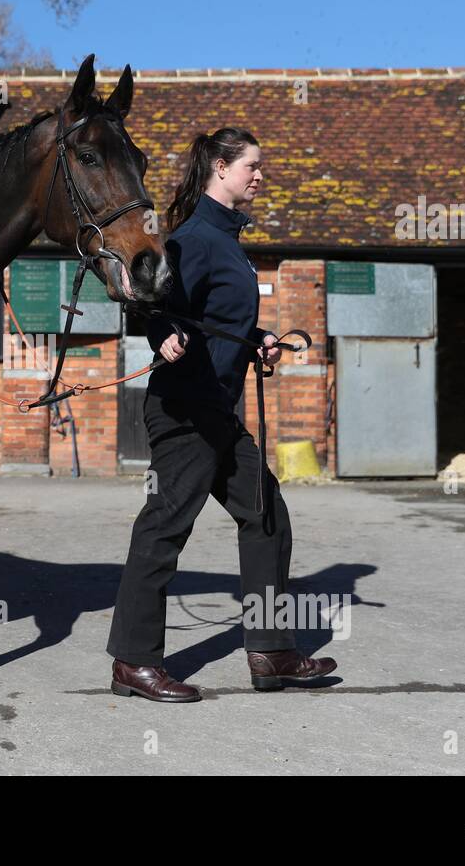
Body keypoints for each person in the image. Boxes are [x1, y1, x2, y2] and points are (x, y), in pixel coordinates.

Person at [106, 128, 338, 701]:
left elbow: (215, 314)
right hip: (186, 407)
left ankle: (270, 650)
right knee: (165, 526)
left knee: (265, 514)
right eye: (251, 166)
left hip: (217, 409)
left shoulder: (226, 239)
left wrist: (256, 338)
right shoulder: (195, 237)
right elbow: (153, 299)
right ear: (219, 167)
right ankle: (133, 662)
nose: (260, 175)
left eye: (261, 167)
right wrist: (161, 332)